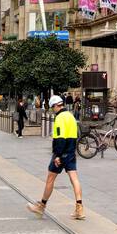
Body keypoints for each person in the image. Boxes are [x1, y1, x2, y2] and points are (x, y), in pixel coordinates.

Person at [27, 94, 85, 222]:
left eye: (53, 107)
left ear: (55, 106)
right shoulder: (70, 116)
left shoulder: (59, 118)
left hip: (61, 152)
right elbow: (75, 135)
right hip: (70, 151)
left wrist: (58, 155)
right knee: (74, 178)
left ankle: (41, 206)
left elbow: (59, 137)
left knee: (50, 179)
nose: (53, 110)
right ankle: (79, 208)